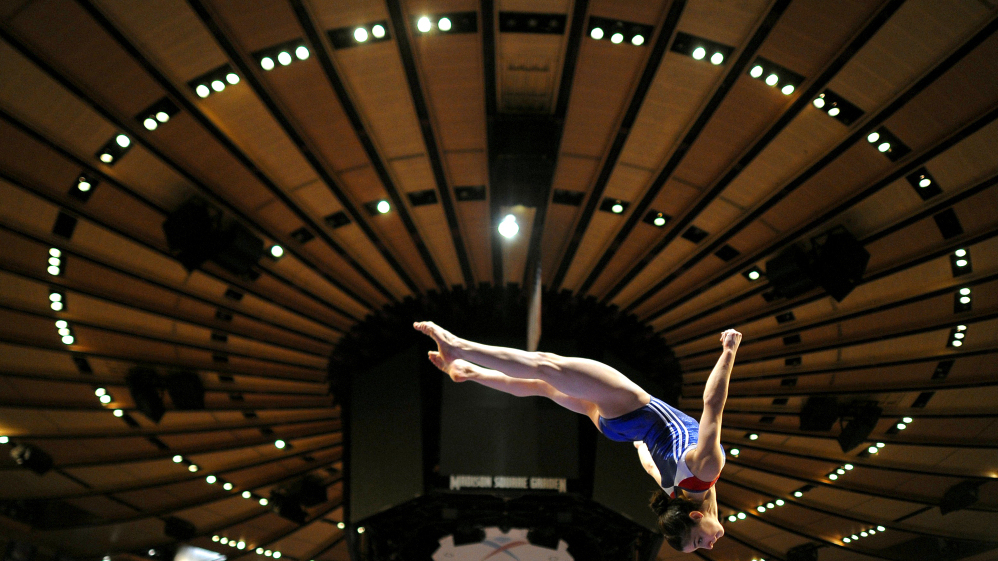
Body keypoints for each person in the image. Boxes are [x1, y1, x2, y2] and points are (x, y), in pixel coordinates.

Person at [413, 321, 742, 553]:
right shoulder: (675, 494)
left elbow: (712, 404)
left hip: (632, 410)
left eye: (699, 542)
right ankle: (468, 372)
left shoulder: (705, 473)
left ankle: (458, 347)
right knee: (542, 386)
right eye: (700, 544)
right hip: (619, 427)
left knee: (546, 366)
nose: (710, 545)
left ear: (696, 516)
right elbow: (648, 460)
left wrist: (728, 351)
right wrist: (639, 438)